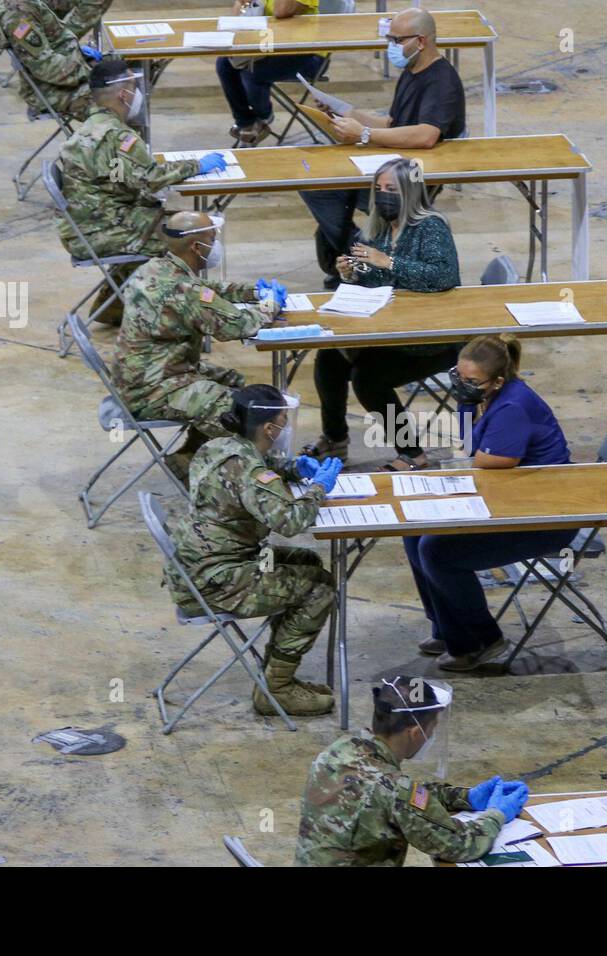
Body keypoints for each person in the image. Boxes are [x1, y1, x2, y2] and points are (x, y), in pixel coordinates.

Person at [166, 385, 344, 717]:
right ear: (268, 429)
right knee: (318, 589)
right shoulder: (253, 473)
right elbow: (292, 521)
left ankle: (274, 675)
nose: (284, 427)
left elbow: (257, 466)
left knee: (307, 564)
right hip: (217, 582)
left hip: (195, 569)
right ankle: (277, 690)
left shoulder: (217, 446)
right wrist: (318, 487)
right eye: (282, 420)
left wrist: (292, 469)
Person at [404, 334, 573, 671]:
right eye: (458, 377)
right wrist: (468, 401)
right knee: (413, 530)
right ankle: (446, 627)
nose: (462, 385)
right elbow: (468, 446)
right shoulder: (486, 397)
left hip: (546, 516)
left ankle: (480, 640)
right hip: (508, 497)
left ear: (497, 381)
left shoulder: (512, 407)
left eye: (471, 382)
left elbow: (484, 460)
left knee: (438, 552)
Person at [303, 158, 460, 471]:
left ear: (410, 192)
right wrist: (350, 271)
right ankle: (336, 438)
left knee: (368, 378)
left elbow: (443, 276)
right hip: (388, 329)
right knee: (329, 358)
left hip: (431, 337)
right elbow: (371, 273)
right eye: (379, 188)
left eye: (392, 189)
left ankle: (413, 453)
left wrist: (388, 262)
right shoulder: (379, 229)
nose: (384, 195)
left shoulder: (430, 227)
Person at [111, 211, 289, 480]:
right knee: (237, 410)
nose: (216, 243)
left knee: (234, 381)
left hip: (148, 373)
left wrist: (251, 292)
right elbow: (237, 326)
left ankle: (190, 456)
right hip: (151, 389)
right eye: (212, 238)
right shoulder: (183, 291)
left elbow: (207, 289)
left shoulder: (156, 268)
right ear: (197, 247)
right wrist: (269, 305)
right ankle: (266, 478)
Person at [300, 7, 466, 287]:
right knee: (314, 182)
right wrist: (346, 113)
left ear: (421, 41)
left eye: (398, 41)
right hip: (392, 163)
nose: (392, 47)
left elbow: (426, 135)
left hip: (411, 179)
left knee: (323, 190)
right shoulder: (413, 70)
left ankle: (362, 259)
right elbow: (391, 123)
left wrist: (364, 134)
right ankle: (357, 256)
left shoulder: (442, 82)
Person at [58, 58, 228, 323]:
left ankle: (114, 309)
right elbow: (150, 179)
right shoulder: (117, 136)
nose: (138, 94)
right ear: (124, 94)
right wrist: (197, 166)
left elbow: (124, 177)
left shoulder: (94, 127)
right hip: (103, 230)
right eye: (135, 87)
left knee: (168, 220)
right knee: (189, 237)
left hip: (88, 224)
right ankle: (190, 320)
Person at [295, 676, 530, 866]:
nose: (432, 735)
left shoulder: (338, 750)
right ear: (415, 733)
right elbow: (459, 844)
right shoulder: (394, 789)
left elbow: (396, 794)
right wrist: (496, 815)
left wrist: (463, 797)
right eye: (432, 728)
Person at [216, 0, 325, 145]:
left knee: (253, 70)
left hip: (306, 54)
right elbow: (237, 15)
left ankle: (264, 116)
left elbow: (281, 11)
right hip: (268, 47)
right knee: (224, 63)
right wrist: (243, 5)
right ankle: (246, 122)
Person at [0, 0, 104, 122]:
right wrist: (89, 71)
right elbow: (45, 67)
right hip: (51, 89)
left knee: (119, 72)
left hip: (67, 68)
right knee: (118, 102)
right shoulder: (18, 13)